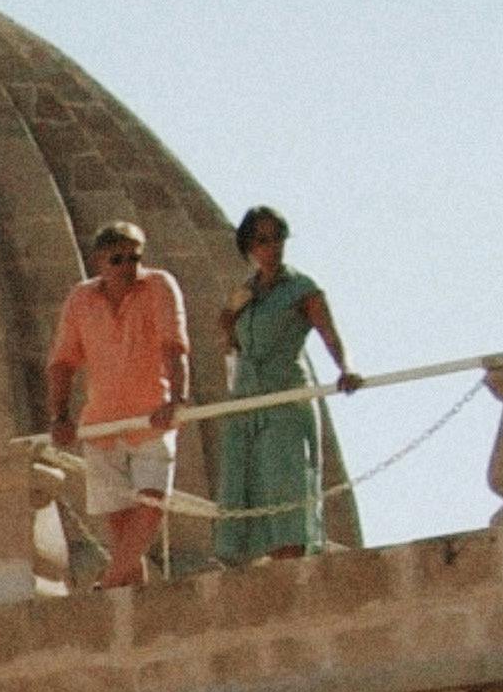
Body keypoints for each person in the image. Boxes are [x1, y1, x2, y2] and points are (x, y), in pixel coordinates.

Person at [212, 207, 362, 563]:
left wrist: (346, 368)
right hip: (247, 402)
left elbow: (329, 334)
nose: (273, 246)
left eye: (278, 236)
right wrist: (229, 318)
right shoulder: (244, 293)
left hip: (284, 401)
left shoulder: (300, 289)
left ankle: (289, 565)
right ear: (249, 246)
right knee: (246, 487)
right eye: (263, 239)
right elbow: (231, 341)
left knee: (285, 484)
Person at [47, 220, 190, 591]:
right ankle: (131, 593)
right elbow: (63, 362)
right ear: (99, 261)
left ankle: (111, 580)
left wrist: (177, 399)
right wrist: (59, 416)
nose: (128, 266)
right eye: (118, 259)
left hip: (151, 417)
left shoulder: (158, 286)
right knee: (121, 522)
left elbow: (173, 344)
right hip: (103, 425)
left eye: (134, 258)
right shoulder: (81, 299)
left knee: (151, 500)